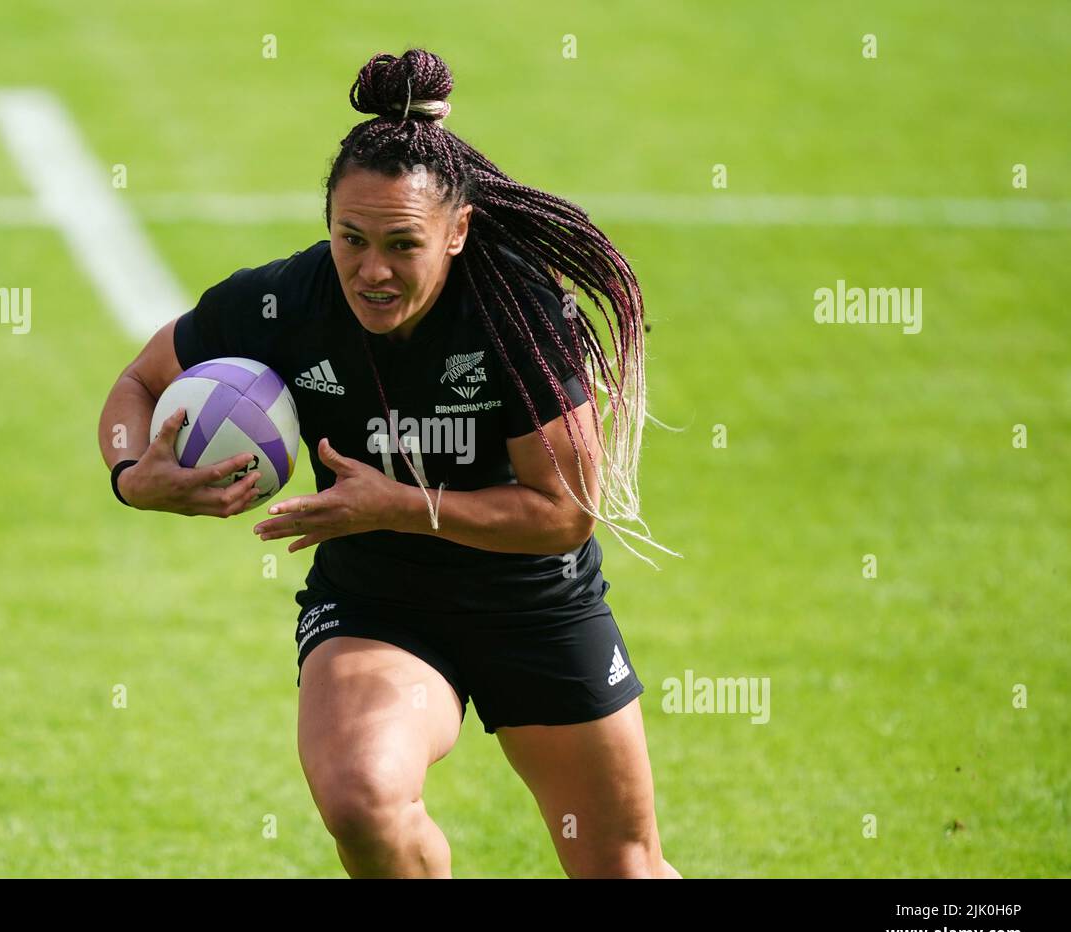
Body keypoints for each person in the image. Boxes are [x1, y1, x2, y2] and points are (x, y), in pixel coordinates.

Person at [98, 48, 680, 878]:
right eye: (351, 238)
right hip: (380, 603)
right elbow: (137, 382)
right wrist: (132, 476)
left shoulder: (514, 311)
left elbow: (563, 516)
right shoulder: (286, 301)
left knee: (621, 866)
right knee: (362, 800)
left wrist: (403, 505)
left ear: (458, 231)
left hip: (533, 604)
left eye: (402, 245)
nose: (371, 270)